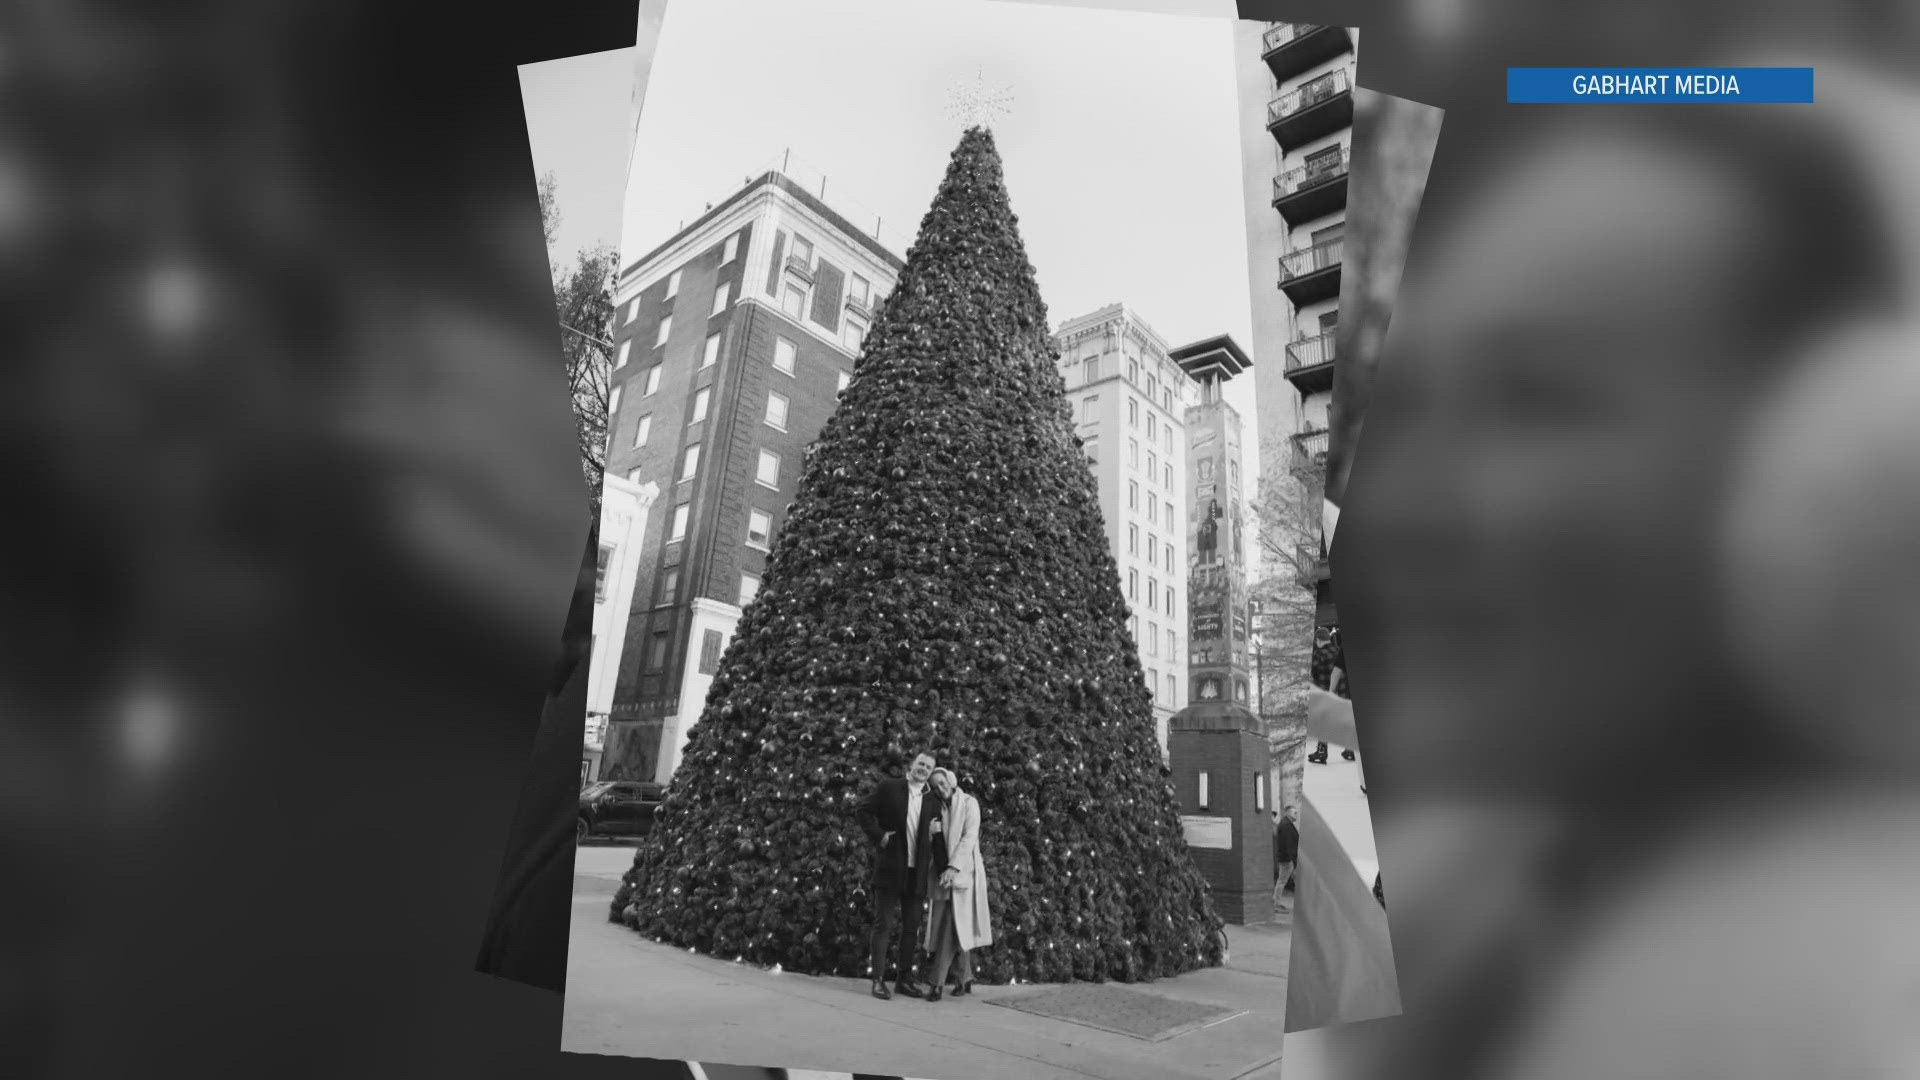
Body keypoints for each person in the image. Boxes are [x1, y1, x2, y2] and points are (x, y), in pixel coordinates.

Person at [854, 750, 941, 1000]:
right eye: (921, 764)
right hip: (891, 869)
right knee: (883, 925)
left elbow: (937, 840)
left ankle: (904, 980)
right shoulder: (889, 787)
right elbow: (862, 810)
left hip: (917, 873)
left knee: (911, 928)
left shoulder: (932, 800)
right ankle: (878, 980)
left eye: (928, 767)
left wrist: (946, 868)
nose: (924, 768)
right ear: (911, 765)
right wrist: (879, 836)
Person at [920, 767, 992, 1001]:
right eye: (936, 785)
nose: (941, 788)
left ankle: (936, 983)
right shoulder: (938, 809)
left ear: (950, 780)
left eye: (942, 783)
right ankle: (965, 977)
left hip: (964, 875)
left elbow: (969, 838)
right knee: (954, 927)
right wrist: (932, 834)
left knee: (949, 930)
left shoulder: (970, 803)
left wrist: (954, 868)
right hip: (943, 877)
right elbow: (935, 842)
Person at [1273, 805, 1299, 911]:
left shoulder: (1286, 824)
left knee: (1284, 880)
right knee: (1282, 881)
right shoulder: (1286, 825)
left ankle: (1276, 902)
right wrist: (1291, 859)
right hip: (1288, 860)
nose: (1296, 815)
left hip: (1288, 859)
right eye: (1294, 813)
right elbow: (1287, 844)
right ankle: (1275, 902)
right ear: (1288, 813)